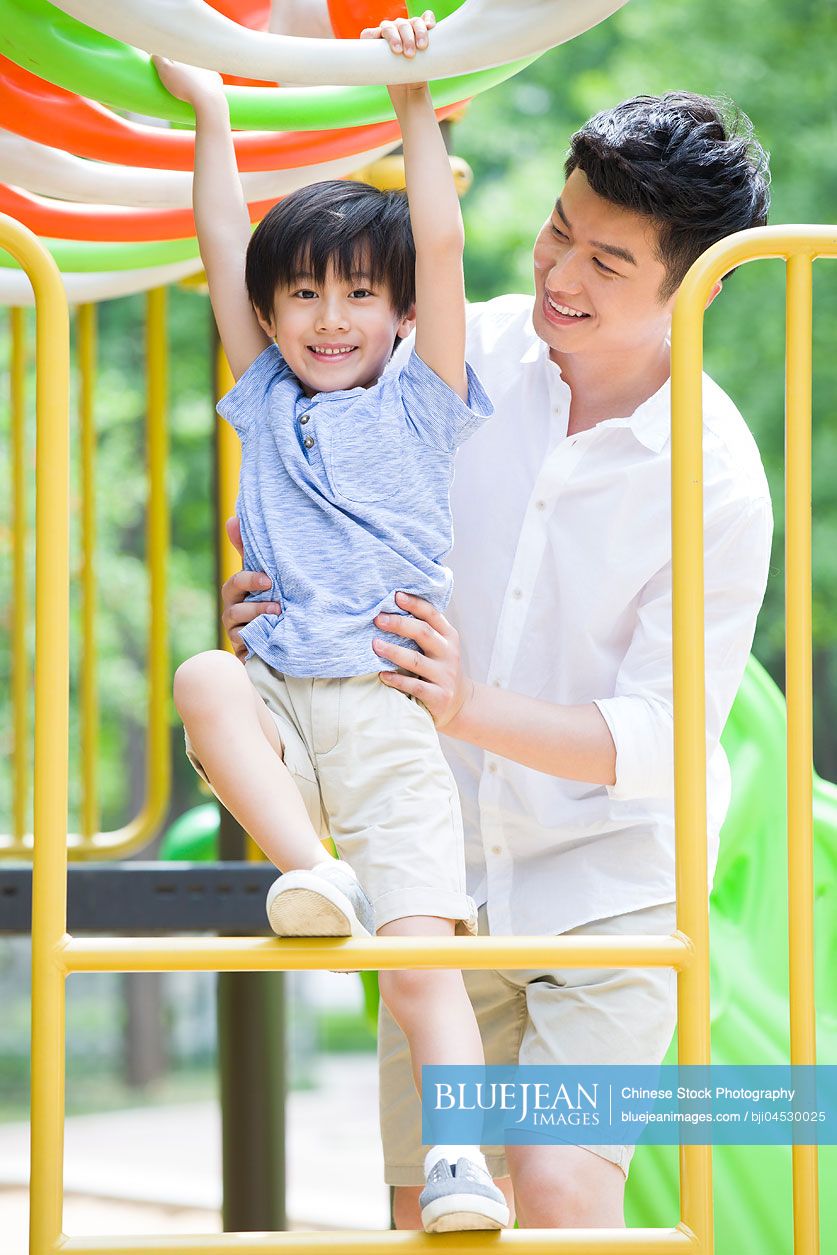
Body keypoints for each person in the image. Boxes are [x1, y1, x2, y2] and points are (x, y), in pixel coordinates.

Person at [221, 82, 774, 1229]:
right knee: (430, 1210)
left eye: (607, 264)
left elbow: (661, 740)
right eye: (559, 231)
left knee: (564, 1190)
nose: (559, 275)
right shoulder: (452, 363)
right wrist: (277, 578)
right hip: (442, 865)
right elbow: (308, 461)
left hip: (611, 883)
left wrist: (468, 702)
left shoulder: (715, 476)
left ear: (692, 288)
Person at [154, 14, 511, 1234]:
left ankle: (459, 1161)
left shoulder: (424, 404)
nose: (328, 317)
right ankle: (314, 874)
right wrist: (212, 114)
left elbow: (445, 243)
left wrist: (413, 99)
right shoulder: (263, 397)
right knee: (205, 670)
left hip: (382, 714)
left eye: (359, 293)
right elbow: (218, 244)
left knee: (422, 965)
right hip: (285, 702)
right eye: (301, 295)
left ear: (402, 313)